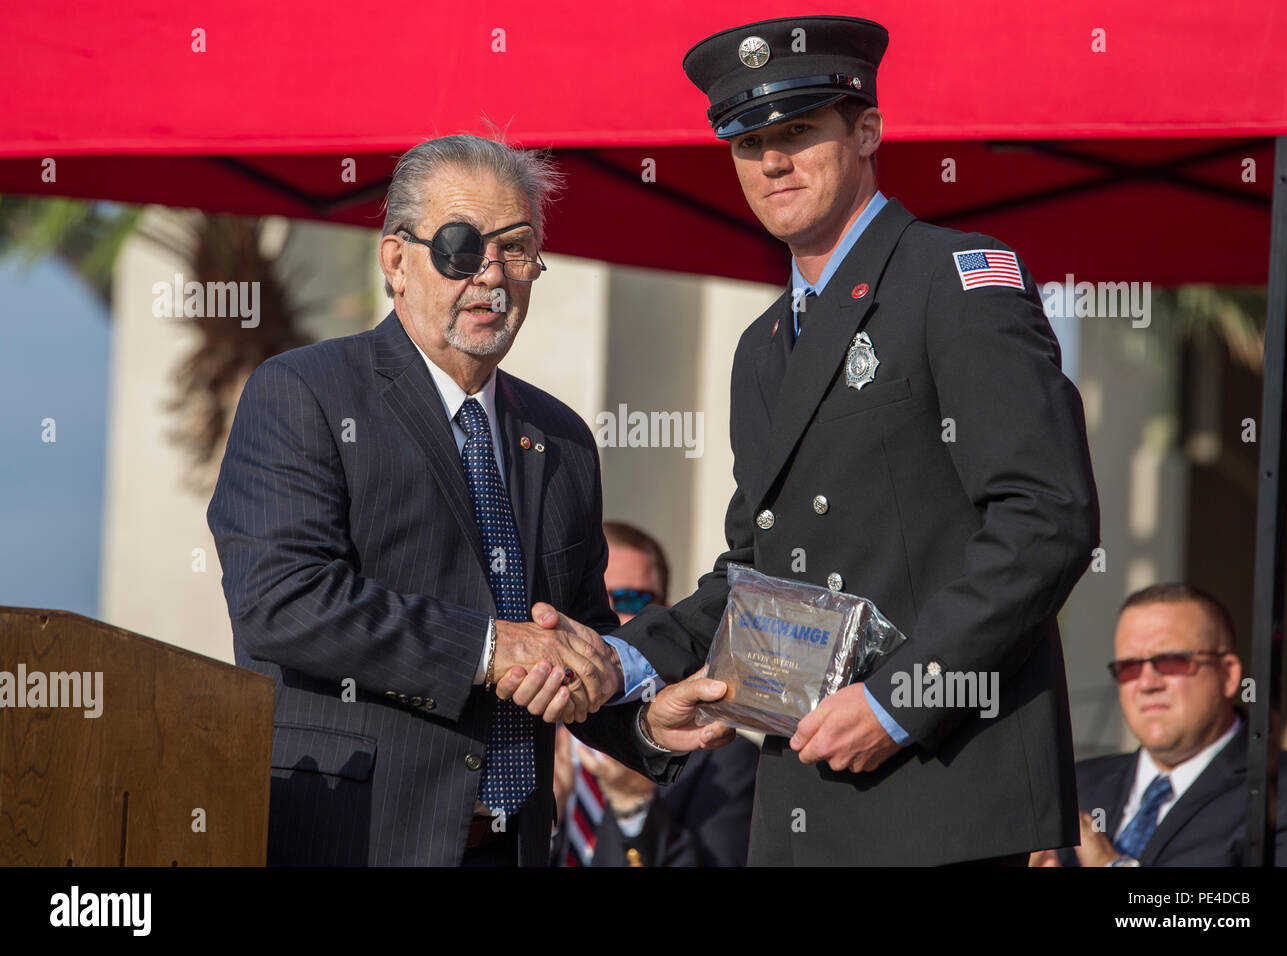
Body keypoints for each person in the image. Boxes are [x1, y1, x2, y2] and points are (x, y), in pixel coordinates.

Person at [515, 14, 1100, 865]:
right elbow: (758, 572)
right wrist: (616, 660)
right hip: (807, 802)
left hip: (949, 797)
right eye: (749, 143)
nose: (773, 161)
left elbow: (1047, 520)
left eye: (797, 131)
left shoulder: (956, 279)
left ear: (867, 130)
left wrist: (900, 701)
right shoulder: (761, 347)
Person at [206, 135, 729, 867]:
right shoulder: (306, 394)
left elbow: (573, 643)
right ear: (396, 261)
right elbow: (281, 601)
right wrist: (487, 647)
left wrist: (642, 723)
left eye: (516, 250)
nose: (490, 275)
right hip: (353, 838)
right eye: (459, 246)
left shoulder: (562, 438)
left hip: (514, 847)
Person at [1034, 584, 1287, 867]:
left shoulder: (1286, 792)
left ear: (1228, 675)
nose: (1147, 683)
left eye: (1171, 661)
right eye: (1129, 667)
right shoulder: (1074, 786)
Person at [553, 522, 758, 866]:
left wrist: (634, 810)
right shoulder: (527, 738)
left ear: (664, 613)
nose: (611, 618)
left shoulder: (723, 758)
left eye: (631, 599)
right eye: (592, 603)